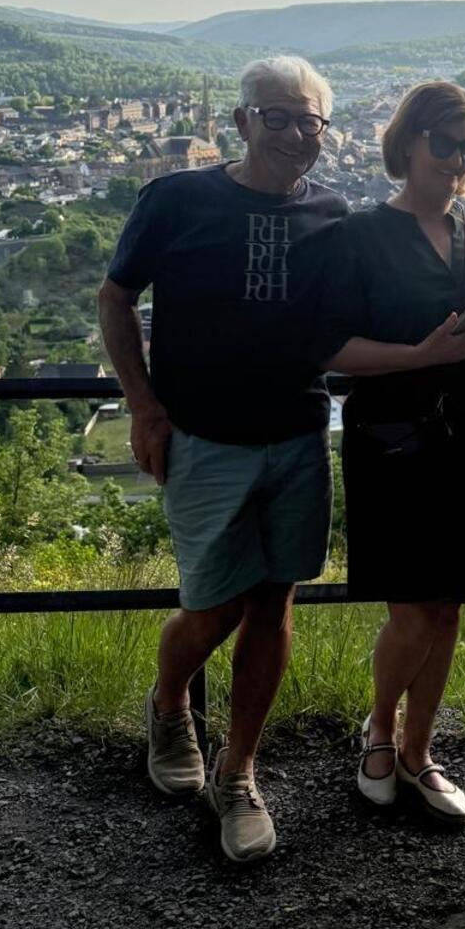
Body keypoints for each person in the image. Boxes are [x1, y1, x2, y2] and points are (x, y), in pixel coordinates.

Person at [98, 56, 348, 865]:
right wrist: (142, 403)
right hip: (204, 440)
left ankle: (237, 773)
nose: (295, 133)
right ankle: (170, 705)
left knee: (274, 608)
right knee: (210, 607)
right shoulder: (177, 198)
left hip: (300, 437)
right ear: (240, 122)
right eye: (277, 116)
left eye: (310, 120)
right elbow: (115, 294)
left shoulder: (334, 214)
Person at [322, 81, 465, 824]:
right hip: (397, 444)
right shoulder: (360, 236)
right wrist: (421, 354)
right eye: (444, 142)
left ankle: (419, 749)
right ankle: (379, 730)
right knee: (413, 609)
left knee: (448, 607)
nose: (458, 158)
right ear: (408, 143)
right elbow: (331, 350)